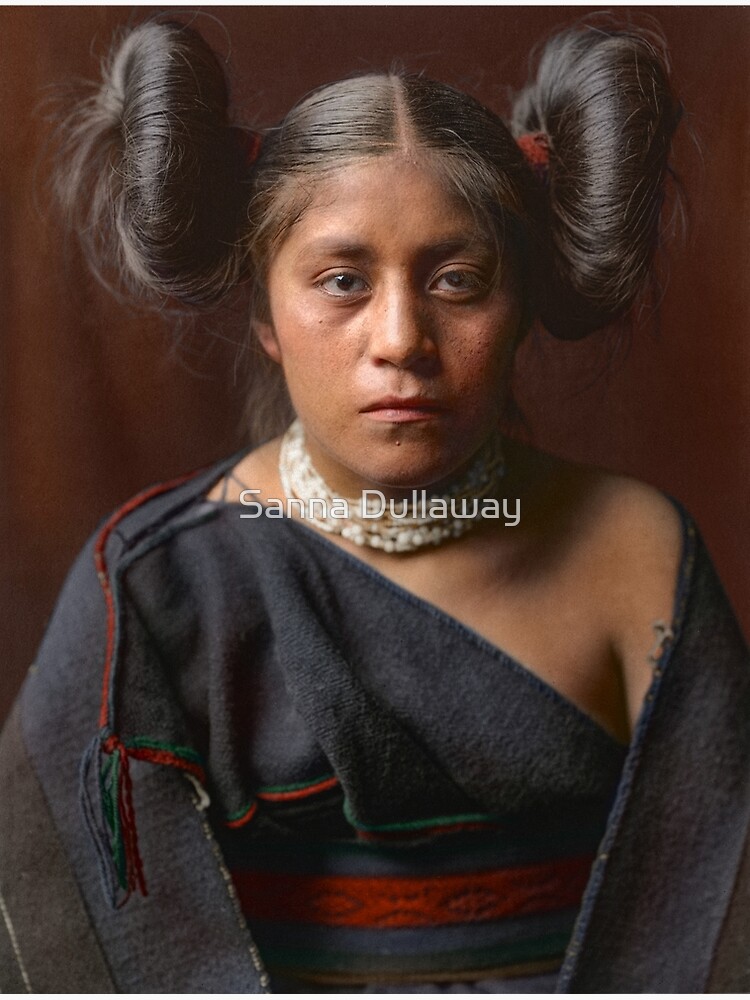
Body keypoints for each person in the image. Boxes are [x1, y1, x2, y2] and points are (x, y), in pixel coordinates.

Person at [1, 16, 748, 994]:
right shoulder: (156, 581)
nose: (400, 337)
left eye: (456, 280)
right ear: (266, 313)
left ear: (519, 302)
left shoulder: (640, 554)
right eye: (343, 280)